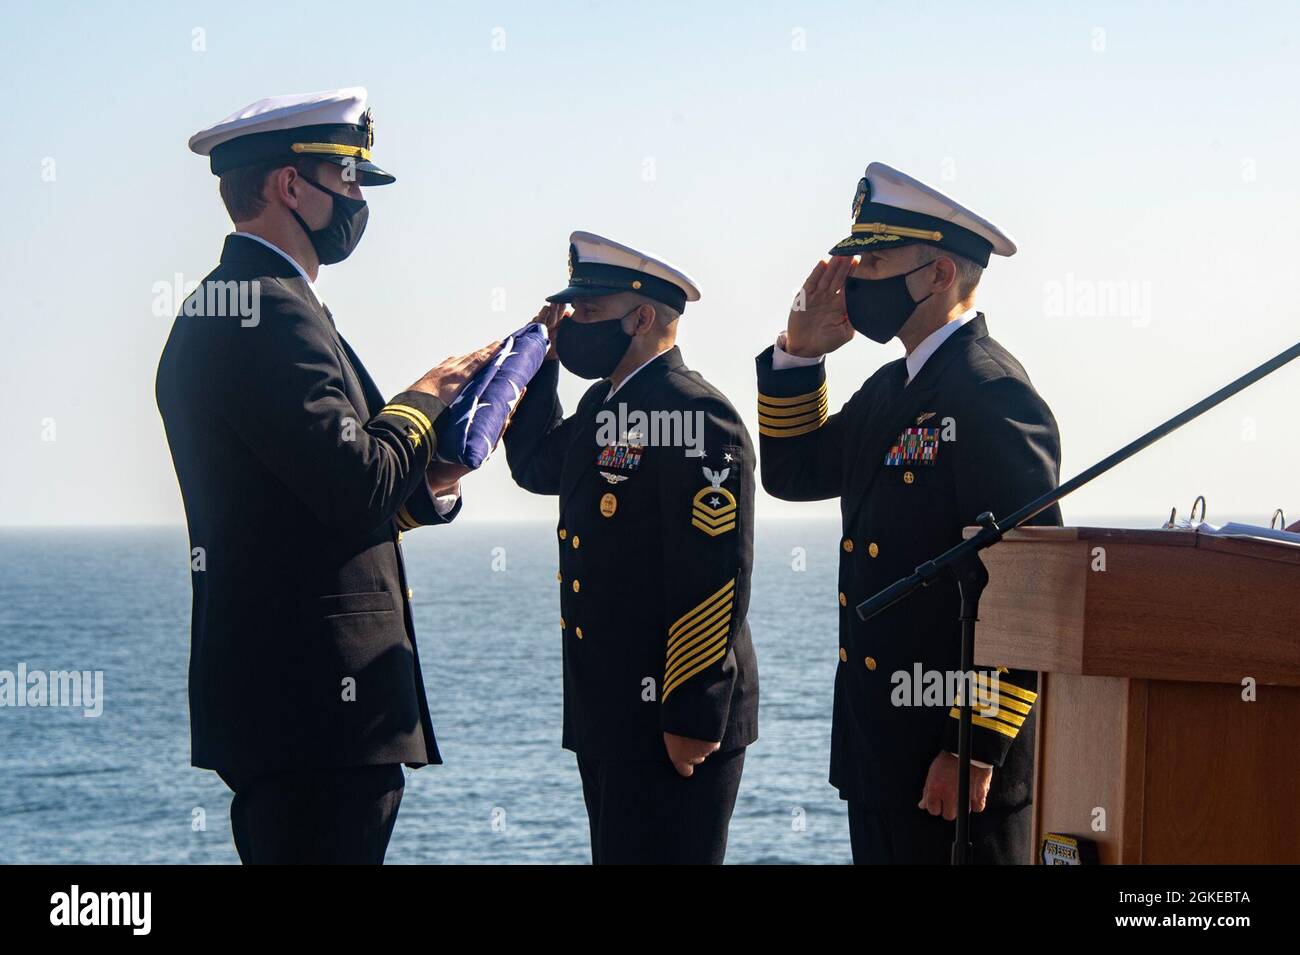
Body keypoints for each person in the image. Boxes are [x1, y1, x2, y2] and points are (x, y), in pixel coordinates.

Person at [157, 87, 494, 863]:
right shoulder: (268, 310)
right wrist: (427, 395)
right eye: (346, 177)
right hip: (312, 713)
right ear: (288, 185)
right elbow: (351, 485)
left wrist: (433, 472)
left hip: (293, 713)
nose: (356, 197)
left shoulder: (251, 303)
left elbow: (318, 498)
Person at [755, 163, 1061, 864]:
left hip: (951, 764)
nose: (854, 274)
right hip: (883, 752)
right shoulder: (892, 388)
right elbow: (796, 473)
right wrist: (799, 355)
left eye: (875, 258)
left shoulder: (991, 392)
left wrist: (973, 747)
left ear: (939, 273)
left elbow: (1028, 587)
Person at [505, 232, 759, 864]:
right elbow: (537, 465)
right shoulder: (604, 404)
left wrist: (691, 714)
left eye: (586, 314)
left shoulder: (695, 412)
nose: (571, 327)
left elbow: (714, 573)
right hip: (612, 710)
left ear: (641, 318)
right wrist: (539, 366)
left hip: (670, 715)